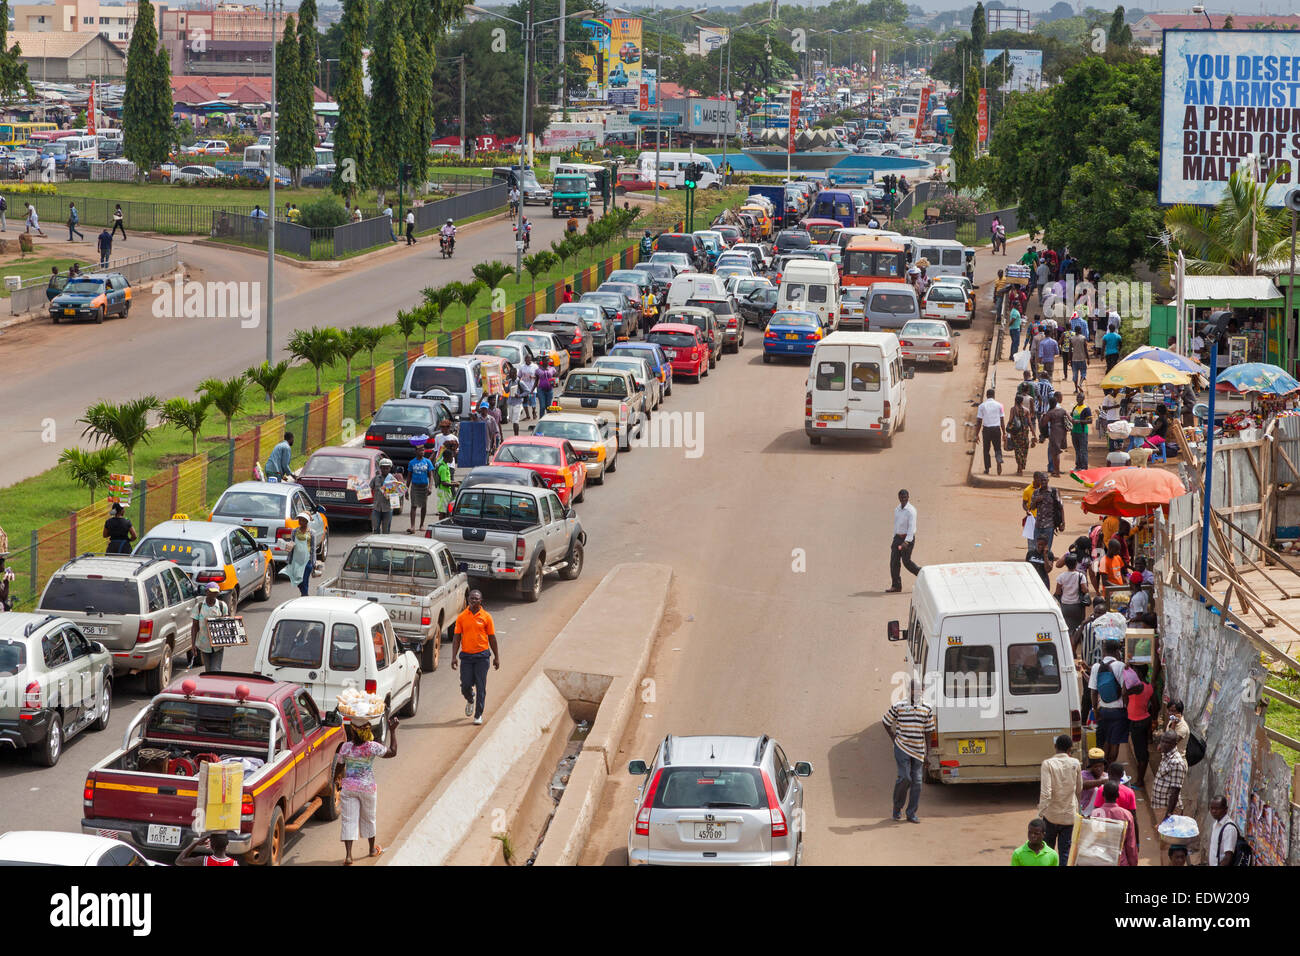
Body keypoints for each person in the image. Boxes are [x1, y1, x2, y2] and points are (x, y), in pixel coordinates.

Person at [339, 714, 398, 865]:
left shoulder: (345, 747)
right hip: (367, 788)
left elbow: (339, 767)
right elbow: (392, 752)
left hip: (349, 788)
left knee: (348, 821)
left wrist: (338, 781)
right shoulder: (372, 746)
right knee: (369, 818)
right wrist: (392, 731)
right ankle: (371, 850)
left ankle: (348, 856)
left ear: (353, 732)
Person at [882, 679, 934, 823]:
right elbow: (886, 722)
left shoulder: (927, 708)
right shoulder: (899, 705)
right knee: (905, 778)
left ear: (923, 690)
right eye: (913, 689)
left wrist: (928, 753)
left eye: (919, 689)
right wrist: (894, 738)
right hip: (902, 747)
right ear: (908, 690)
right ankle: (897, 808)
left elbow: (929, 732)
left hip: (918, 750)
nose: (916, 692)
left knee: (917, 782)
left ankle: (911, 813)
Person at [452, 589, 499, 725]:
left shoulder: (486, 617)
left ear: (481, 600)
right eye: (471, 598)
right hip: (466, 657)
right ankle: (470, 698)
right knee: (465, 685)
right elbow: (456, 638)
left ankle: (478, 715)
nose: (474, 601)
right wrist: (454, 657)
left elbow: (492, 638)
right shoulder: (461, 617)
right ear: (468, 599)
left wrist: (496, 657)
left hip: (482, 657)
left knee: (481, 686)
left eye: (476, 599)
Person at [1037, 734, 1081, 860]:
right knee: (1065, 853)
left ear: (1055, 747)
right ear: (1070, 749)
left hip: (1051, 816)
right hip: (1069, 816)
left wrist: (1040, 814)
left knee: (1047, 852)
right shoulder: (1075, 763)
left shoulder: (1047, 764)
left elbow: (1046, 793)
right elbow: (1079, 788)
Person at [1090, 639, 1129, 764]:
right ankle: (1112, 767)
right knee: (1114, 742)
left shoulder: (1096, 667)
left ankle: (1104, 768)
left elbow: (1093, 692)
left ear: (1104, 651)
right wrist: (1126, 706)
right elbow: (1124, 691)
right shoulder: (1121, 666)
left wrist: (1095, 710)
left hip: (1103, 710)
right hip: (1118, 711)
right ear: (1117, 651)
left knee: (1105, 740)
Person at [1093, 781, 1138, 866]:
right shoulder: (1126, 815)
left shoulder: (1095, 814)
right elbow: (1130, 844)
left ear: (1103, 794)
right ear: (1117, 795)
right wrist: (1133, 863)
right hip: (1120, 861)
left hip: (1099, 860)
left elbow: (1092, 840)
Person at [1123, 663, 1154, 786]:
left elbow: (1124, 692)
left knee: (1140, 752)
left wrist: (1126, 673)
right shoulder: (1148, 686)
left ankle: (1140, 780)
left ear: (1139, 674)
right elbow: (1155, 705)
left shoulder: (1138, 687)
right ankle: (1140, 777)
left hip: (1137, 722)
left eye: (1135, 671)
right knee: (1143, 750)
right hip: (1145, 719)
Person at [887, 489, 921, 593]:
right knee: (894, 562)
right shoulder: (897, 509)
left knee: (906, 562)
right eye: (901, 497)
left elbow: (911, 527)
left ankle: (922, 574)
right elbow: (896, 524)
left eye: (905, 497)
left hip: (907, 540)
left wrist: (906, 542)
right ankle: (896, 585)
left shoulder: (911, 511)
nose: (903, 499)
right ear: (899, 498)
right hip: (898, 539)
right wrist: (894, 539)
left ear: (908, 497)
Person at [191, 583, 230, 672]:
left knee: (215, 670)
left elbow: (226, 624)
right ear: (206, 592)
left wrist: (228, 640)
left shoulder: (222, 606)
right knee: (208, 671)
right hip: (204, 645)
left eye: (216, 592)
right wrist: (193, 645)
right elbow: (195, 627)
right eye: (211, 592)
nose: (214, 594)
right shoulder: (199, 607)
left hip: (218, 645)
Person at [1053, 552, 1089, 638]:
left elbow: (1058, 592)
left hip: (1065, 606)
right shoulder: (1081, 576)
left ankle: (1069, 646)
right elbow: (1084, 589)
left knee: (1067, 629)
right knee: (1078, 629)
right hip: (1077, 606)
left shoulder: (1061, 577)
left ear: (1066, 564)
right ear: (1076, 564)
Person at [1152, 732, 1186, 821]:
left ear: (1174, 744)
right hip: (1161, 806)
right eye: (1162, 741)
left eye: (1167, 742)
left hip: (1168, 809)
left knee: (1166, 834)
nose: (1163, 744)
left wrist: (1168, 815)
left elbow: (1175, 791)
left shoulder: (1176, 762)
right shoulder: (1166, 755)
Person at [975, 388, 1006, 475]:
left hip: (986, 430)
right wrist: (1004, 433)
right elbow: (1002, 420)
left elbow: (979, 421)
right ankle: (999, 460)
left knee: (986, 450)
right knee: (997, 448)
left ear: (986, 395)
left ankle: (987, 468)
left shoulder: (981, 406)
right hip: (996, 429)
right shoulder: (1000, 405)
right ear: (994, 395)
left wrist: (976, 434)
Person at [1006, 393, 1037, 476]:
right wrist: (1034, 434)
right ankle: (1022, 465)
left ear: (1015, 401)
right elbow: (1030, 423)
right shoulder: (1026, 410)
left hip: (1016, 433)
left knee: (1017, 450)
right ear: (1022, 401)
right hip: (1024, 432)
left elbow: (1010, 421)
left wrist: (1008, 431)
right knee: (1024, 449)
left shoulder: (1013, 409)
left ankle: (1019, 467)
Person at [285, 514, 314, 597]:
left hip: (307, 561)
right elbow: (292, 543)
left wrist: (314, 562)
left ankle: (304, 595)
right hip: (296, 560)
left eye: (302, 520)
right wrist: (288, 547)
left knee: (304, 580)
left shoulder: (312, 533)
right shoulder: (294, 531)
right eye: (299, 520)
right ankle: (304, 594)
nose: (300, 522)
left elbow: (313, 548)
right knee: (298, 580)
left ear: (307, 522)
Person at [407, 445, 433, 531]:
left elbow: (431, 476)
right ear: (416, 451)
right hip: (415, 487)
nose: (422, 452)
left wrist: (430, 487)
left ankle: (421, 525)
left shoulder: (427, 462)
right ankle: (412, 526)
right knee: (413, 506)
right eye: (420, 450)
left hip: (424, 487)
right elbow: (409, 477)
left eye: (423, 450)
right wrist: (406, 489)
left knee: (424, 506)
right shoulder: (412, 463)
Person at [1208, 795, 1240, 866]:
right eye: (1212, 808)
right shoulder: (1216, 824)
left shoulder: (1229, 828)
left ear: (1225, 809)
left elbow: (1228, 857)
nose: (1213, 811)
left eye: (1217, 809)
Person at [1043, 391, 1068, 477]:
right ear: (1057, 398)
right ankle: (1054, 469)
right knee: (1055, 452)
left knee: (1053, 451)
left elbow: (1044, 423)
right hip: (1059, 432)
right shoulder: (1060, 409)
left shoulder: (1050, 410)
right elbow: (1070, 419)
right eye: (1061, 397)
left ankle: (1054, 469)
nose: (1062, 399)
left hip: (1053, 431)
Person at [370, 458, 394, 534]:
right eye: (383, 467)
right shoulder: (375, 479)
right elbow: (369, 489)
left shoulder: (393, 480)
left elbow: (397, 495)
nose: (385, 469)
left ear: (390, 468)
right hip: (376, 508)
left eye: (387, 468)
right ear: (380, 468)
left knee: (386, 530)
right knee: (375, 529)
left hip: (387, 509)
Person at [433, 444, 456, 521]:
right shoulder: (443, 468)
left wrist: (454, 482)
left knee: (446, 510)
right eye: (452, 457)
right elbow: (444, 482)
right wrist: (455, 484)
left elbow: (447, 480)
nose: (453, 458)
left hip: (446, 491)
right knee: (443, 511)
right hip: (444, 491)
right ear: (446, 457)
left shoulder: (445, 465)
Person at [1070, 390, 1092, 470]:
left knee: (1083, 450)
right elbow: (1071, 416)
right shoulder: (1075, 407)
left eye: (1080, 397)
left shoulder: (1086, 409)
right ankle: (1078, 465)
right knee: (1077, 450)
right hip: (1074, 431)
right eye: (1077, 397)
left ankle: (1084, 467)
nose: (1078, 399)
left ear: (1083, 399)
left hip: (1082, 432)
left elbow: (1090, 421)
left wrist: (1079, 421)